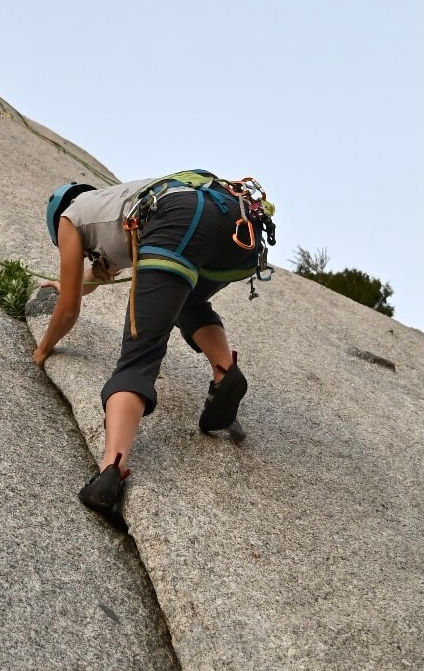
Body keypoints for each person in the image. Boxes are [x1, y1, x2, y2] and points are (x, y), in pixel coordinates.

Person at [33, 171, 274, 515]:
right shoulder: (117, 205)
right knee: (187, 301)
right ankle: (225, 372)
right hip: (237, 234)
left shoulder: (69, 219)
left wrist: (42, 350)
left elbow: (70, 307)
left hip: (179, 224)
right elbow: (92, 279)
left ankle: (110, 470)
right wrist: (63, 283)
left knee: (138, 357)